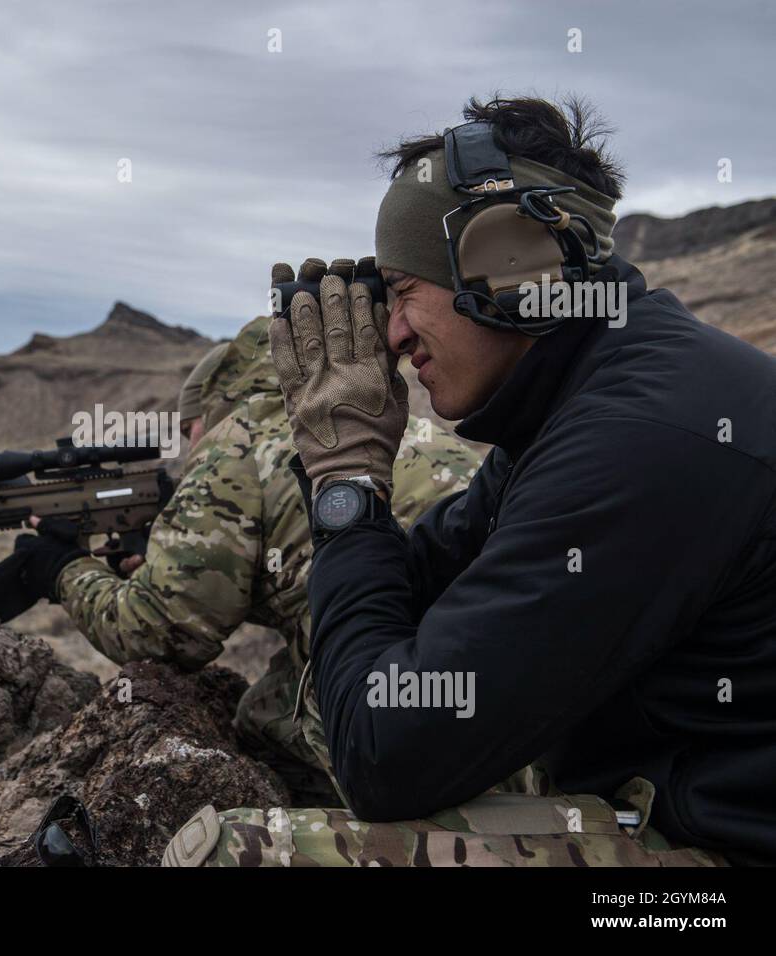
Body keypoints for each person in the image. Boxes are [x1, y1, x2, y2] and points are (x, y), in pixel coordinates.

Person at [180, 95, 774, 866]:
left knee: (236, 854)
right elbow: (422, 587)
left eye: (403, 290)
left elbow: (383, 759)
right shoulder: (591, 398)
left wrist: (346, 479)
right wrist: (348, 488)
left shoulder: (637, 443)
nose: (390, 336)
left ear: (513, 266)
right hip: (677, 811)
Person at [0, 316, 479, 801]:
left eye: (192, 428)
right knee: (288, 675)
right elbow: (305, 563)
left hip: (407, 705)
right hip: (493, 669)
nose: (192, 444)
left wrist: (60, 569)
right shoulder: (365, 420)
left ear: (211, 409)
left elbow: (158, 631)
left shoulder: (236, 438)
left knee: (258, 718)